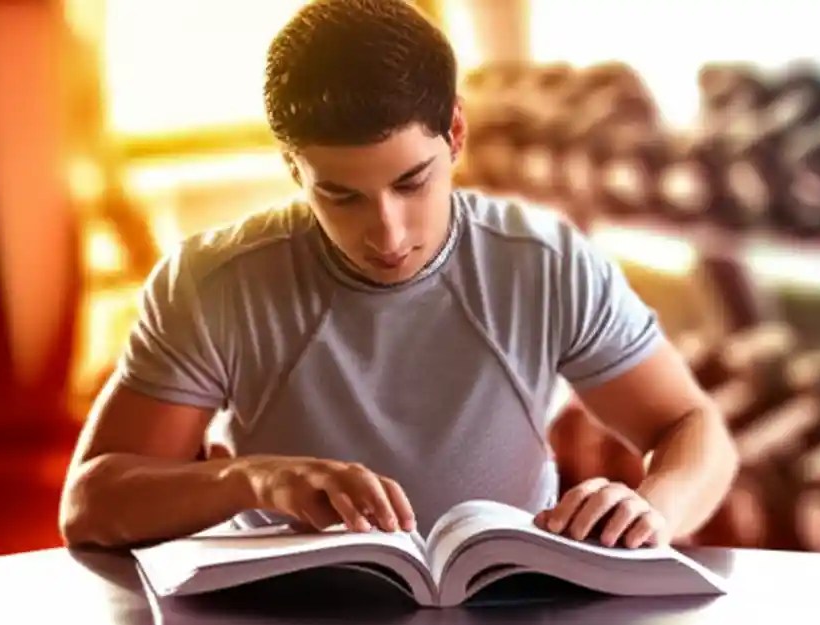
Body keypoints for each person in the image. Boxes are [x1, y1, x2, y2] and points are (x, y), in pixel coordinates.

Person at [58, 0, 737, 551]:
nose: (387, 235)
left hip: (504, 621)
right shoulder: (213, 282)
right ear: (294, 170)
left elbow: (690, 425)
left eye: (412, 182)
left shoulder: (545, 263)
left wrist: (656, 508)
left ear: (456, 136)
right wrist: (252, 481)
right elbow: (91, 504)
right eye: (341, 196)